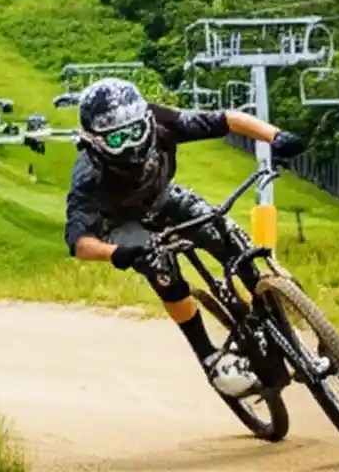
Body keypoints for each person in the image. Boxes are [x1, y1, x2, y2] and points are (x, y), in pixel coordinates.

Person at [65, 77, 306, 398]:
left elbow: (226, 119)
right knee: (161, 270)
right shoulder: (88, 176)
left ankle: (274, 320)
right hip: (124, 223)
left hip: (165, 197)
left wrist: (276, 136)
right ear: (94, 141)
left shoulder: (162, 121)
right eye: (118, 138)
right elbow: (79, 241)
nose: (131, 145)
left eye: (136, 132)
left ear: (145, 119)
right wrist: (117, 253)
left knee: (229, 239)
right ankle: (208, 356)